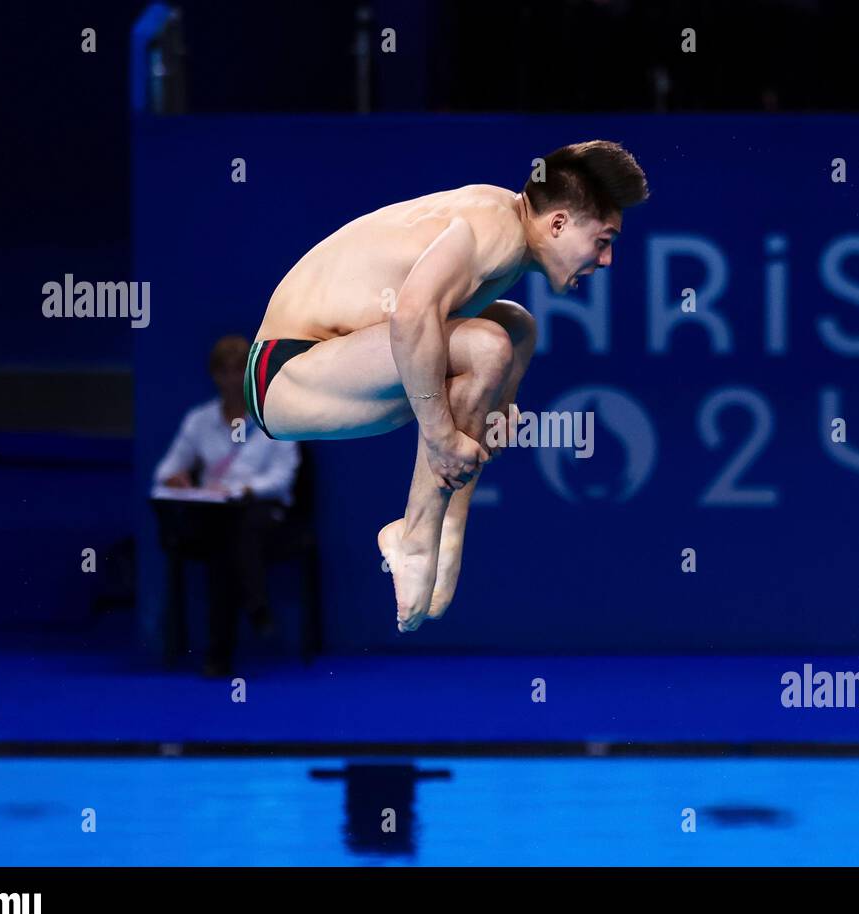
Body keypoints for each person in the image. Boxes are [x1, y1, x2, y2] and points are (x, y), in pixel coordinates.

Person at [245, 140, 648, 631]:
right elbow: (411, 315)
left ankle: (445, 528)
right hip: (285, 371)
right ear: (559, 223)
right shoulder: (494, 231)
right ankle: (416, 534)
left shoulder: (504, 219)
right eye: (603, 241)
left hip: (337, 364)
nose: (606, 261)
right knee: (486, 346)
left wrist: (494, 410)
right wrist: (440, 434)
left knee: (517, 329)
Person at [155, 334, 301, 674]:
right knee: (226, 536)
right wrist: (175, 478)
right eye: (225, 371)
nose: (233, 379)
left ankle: (218, 653)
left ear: (250, 374)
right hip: (215, 515)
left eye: (240, 370)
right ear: (215, 375)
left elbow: (283, 478)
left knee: (234, 534)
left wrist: (248, 490)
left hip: (266, 513)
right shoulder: (199, 420)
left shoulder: (276, 417)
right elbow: (167, 469)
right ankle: (257, 608)